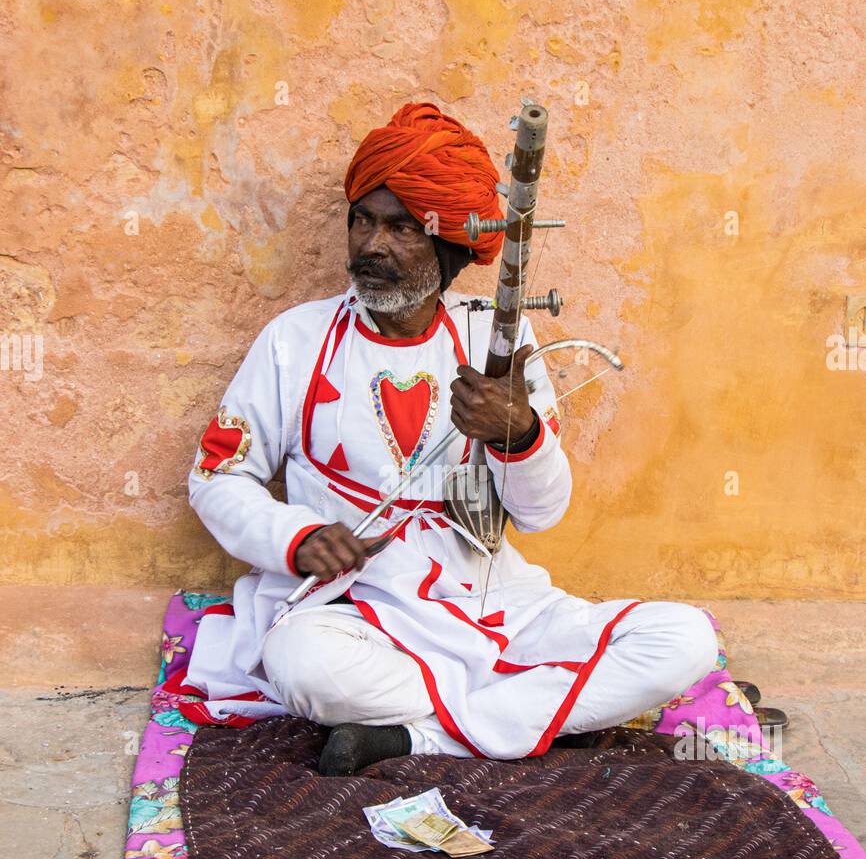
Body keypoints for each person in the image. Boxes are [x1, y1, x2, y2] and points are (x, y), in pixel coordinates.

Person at [184, 102, 717, 774]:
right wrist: (297, 537)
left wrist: (518, 434)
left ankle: (418, 738)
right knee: (303, 665)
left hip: (492, 602)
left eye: (403, 228)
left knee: (684, 640)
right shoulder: (297, 339)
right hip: (355, 608)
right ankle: (540, 714)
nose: (372, 246)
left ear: (452, 249)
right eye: (364, 221)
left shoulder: (497, 338)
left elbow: (540, 512)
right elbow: (216, 477)